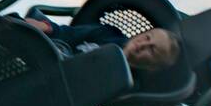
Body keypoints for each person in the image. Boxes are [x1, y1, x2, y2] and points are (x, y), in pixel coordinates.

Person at [22, 12, 182, 72]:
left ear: (152, 67)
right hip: (46, 58)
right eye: (147, 37)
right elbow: (68, 34)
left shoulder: (128, 85)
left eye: (152, 49)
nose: (142, 44)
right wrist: (46, 27)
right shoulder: (107, 34)